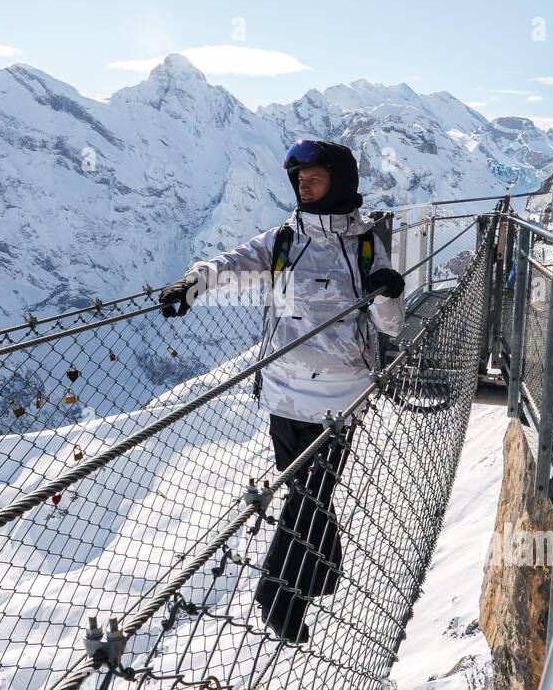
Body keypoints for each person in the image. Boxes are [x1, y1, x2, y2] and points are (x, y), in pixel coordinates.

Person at [158, 140, 406, 644]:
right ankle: (322, 570)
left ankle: (278, 594)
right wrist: (193, 283)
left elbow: (391, 326)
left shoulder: (364, 246)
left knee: (310, 490)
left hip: (339, 396)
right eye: (299, 176)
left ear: (340, 179)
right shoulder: (283, 240)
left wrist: (388, 291)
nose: (303, 183)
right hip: (281, 391)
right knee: (308, 490)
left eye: (314, 175)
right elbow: (233, 262)